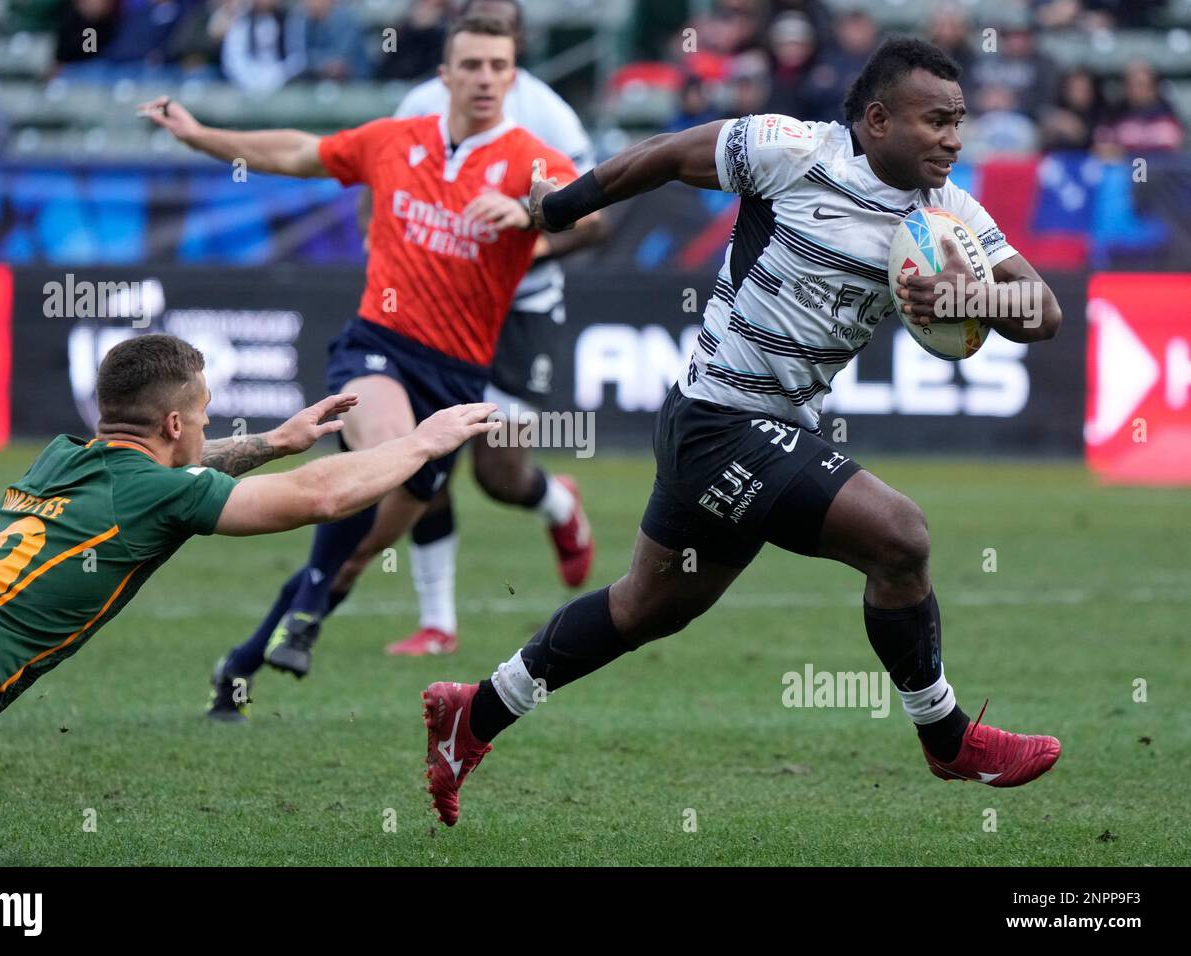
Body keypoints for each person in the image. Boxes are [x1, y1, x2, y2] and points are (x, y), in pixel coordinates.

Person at [421, 37, 1065, 827]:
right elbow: (661, 155)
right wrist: (551, 210)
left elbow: (1043, 312)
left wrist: (975, 301)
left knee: (644, 609)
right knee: (900, 537)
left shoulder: (950, 214)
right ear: (876, 120)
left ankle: (474, 714)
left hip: (764, 429)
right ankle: (948, 736)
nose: (954, 140)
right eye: (936, 121)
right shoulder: (789, 150)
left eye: (960, 122)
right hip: (721, 423)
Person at [140, 15, 597, 718]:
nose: (483, 78)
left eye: (497, 66)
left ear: (514, 75)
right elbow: (297, 151)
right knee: (386, 452)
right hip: (379, 344)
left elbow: (586, 216)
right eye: (470, 64)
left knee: (362, 542)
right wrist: (202, 135)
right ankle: (314, 604)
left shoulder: (530, 160)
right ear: (443, 75)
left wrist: (536, 212)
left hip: (457, 376)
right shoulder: (393, 140)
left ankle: (245, 659)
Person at [0, 333, 496, 781]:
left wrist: (274, 442)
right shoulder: (163, 495)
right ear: (175, 422)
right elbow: (322, 495)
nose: (209, 424)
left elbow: (174, 474)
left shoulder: (63, 455)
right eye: (204, 414)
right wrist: (420, 442)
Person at [382, 0, 605, 657]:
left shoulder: (548, 116)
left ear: (517, 44)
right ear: (451, 54)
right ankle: (437, 625)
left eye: (498, 49)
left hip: (521, 310)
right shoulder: (417, 104)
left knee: (498, 471)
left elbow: (598, 220)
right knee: (427, 458)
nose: (484, 73)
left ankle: (559, 504)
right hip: (438, 308)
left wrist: (526, 246)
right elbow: (380, 193)